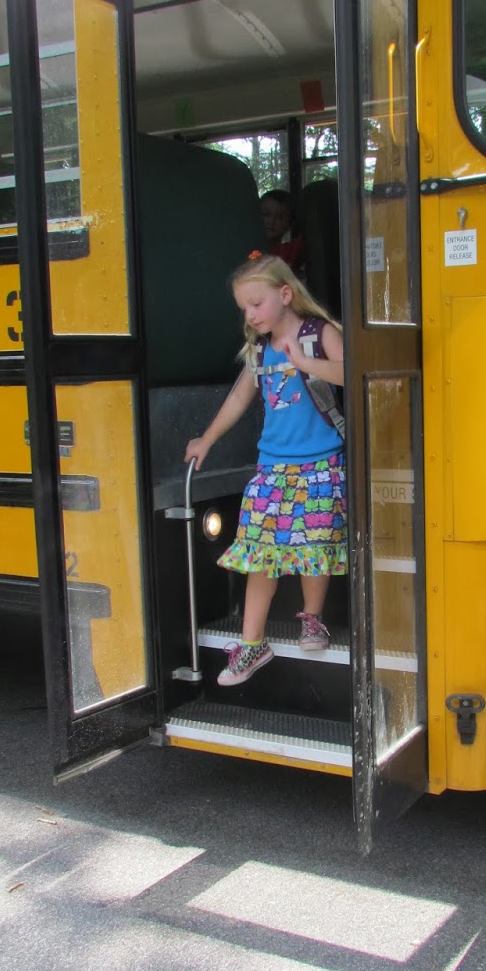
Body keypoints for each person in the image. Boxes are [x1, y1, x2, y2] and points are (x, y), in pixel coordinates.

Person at [185, 253, 346, 686]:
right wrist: (208, 440)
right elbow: (239, 398)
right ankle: (252, 642)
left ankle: (312, 619)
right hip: (272, 466)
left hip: (320, 462)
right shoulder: (259, 350)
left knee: (316, 546)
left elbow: (355, 372)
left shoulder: (318, 334)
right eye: (244, 308)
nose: (250, 314)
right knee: (260, 551)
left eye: (256, 303)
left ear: (286, 294)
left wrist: (306, 363)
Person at [259, 189, 304, 273]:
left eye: (280, 217)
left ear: (289, 225)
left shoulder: (290, 251)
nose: (271, 221)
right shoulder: (247, 249)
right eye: (266, 214)